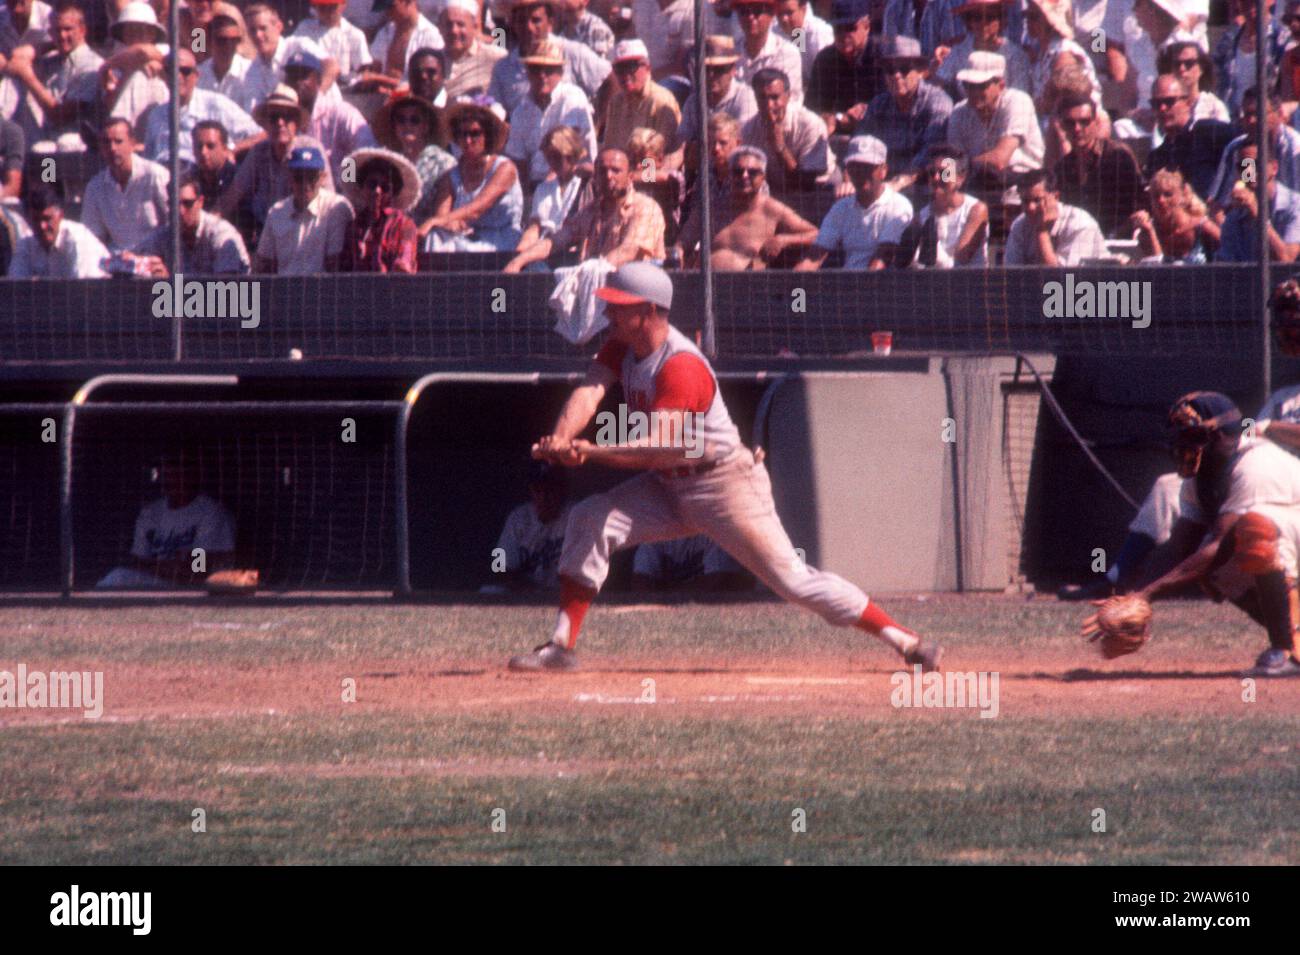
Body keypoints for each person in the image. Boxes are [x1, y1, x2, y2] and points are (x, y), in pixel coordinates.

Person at [507, 261, 943, 672]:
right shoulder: (620, 345)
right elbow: (589, 393)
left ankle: (905, 640)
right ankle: (561, 646)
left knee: (793, 581)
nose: (607, 311)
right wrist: (562, 438)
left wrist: (591, 452)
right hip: (670, 486)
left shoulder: (681, 366)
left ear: (649, 311)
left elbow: (661, 447)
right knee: (590, 518)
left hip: (723, 484)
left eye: (618, 306)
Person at [1130, 391, 1300, 678]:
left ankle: (1288, 649)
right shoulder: (1202, 475)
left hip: (1289, 536)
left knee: (1256, 532)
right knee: (1211, 569)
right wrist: (1133, 595)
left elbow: (1221, 543)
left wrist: (1146, 595)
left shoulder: (1256, 463)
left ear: (1220, 435)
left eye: (1193, 436)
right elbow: (1185, 546)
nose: (1183, 444)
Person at [95, 450, 237, 590]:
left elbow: (197, 569)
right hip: (157, 583)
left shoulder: (210, 512)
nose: (174, 477)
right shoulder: (150, 513)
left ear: (194, 475)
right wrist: (170, 566)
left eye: (180, 471)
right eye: (169, 472)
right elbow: (137, 562)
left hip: (196, 590)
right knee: (118, 577)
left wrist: (157, 566)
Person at [505, 145, 664, 269]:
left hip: (635, 295)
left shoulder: (646, 208)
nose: (608, 176)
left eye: (616, 170)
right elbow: (555, 241)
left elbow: (629, 250)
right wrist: (519, 260)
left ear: (630, 176)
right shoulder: (590, 211)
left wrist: (588, 270)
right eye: (602, 171)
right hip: (598, 288)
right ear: (595, 177)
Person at [218, 84, 334, 245]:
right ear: (266, 123)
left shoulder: (311, 149)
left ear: (297, 123)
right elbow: (233, 195)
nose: (280, 123)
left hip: (305, 236)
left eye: (287, 117)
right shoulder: (259, 152)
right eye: (274, 117)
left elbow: (329, 201)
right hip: (265, 235)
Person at [677, 144, 818, 269]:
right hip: (705, 288)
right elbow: (683, 243)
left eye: (752, 172)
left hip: (749, 290)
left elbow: (816, 234)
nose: (744, 176)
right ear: (729, 175)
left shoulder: (772, 209)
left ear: (763, 176)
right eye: (738, 172)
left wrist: (783, 240)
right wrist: (678, 256)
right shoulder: (710, 208)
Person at [945, 50, 1043, 218]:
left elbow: (1000, 160)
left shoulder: (1018, 101)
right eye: (968, 85)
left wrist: (965, 164)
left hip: (1024, 187)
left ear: (1001, 85)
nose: (973, 91)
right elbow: (952, 163)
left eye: (981, 86)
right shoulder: (959, 112)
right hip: (979, 186)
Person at [420, 95, 523, 251]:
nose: (468, 140)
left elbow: (477, 208)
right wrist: (449, 223)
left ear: (487, 135)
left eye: (474, 134)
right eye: (463, 134)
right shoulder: (451, 175)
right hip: (466, 237)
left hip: (500, 241)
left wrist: (433, 221)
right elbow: (442, 215)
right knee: (436, 235)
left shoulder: (504, 168)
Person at [795, 134, 910, 269]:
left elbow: (882, 259)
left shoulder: (898, 206)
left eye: (868, 167)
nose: (860, 173)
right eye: (854, 167)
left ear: (883, 170)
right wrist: (795, 286)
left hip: (882, 286)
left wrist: (857, 288)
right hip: (847, 284)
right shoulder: (841, 207)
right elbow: (815, 255)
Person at [5, 2, 102, 149]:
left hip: (80, 148)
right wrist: (49, 45)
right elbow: (17, 58)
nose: (62, 35)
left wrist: (28, 77)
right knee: (42, 150)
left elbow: (60, 116)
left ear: (82, 30)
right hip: (50, 143)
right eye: (57, 30)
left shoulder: (92, 64)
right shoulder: (54, 61)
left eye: (68, 29)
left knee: (55, 146)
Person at [858, 35, 952, 187]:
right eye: (890, 69)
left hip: (927, 185)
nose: (896, 75)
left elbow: (931, 151)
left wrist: (900, 182)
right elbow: (862, 141)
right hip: (885, 182)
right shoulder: (878, 104)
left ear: (920, 71)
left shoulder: (938, 102)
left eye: (904, 68)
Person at [487, 0, 610, 115]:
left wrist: (597, 125)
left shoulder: (571, 51)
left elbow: (609, 80)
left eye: (536, 20)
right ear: (513, 24)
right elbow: (495, 110)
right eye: (521, 21)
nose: (529, 27)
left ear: (550, 23)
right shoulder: (503, 67)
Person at [140, 48, 261, 164]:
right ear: (163, 76)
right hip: (164, 175)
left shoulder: (215, 104)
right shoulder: (156, 115)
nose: (178, 76)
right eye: (171, 71)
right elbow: (149, 158)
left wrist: (230, 150)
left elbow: (260, 135)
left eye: (185, 71)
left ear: (196, 76)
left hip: (199, 175)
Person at [505, 38, 596, 188]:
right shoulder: (521, 110)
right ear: (527, 72)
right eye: (536, 69)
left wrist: (543, 192)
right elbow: (518, 160)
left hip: (575, 181)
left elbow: (566, 155)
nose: (542, 75)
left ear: (560, 72)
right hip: (536, 185)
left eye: (548, 70)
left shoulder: (572, 96)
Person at [1052, 93, 1144, 237]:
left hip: (1118, 241)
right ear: (1062, 126)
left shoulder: (1118, 157)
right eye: (1070, 123)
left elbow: (1139, 208)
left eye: (1084, 121)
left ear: (1095, 122)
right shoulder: (1062, 168)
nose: (1077, 128)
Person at [255, 144, 355, 273]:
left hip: (322, 290)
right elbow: (264, 264)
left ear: (322, 177)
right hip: (284, 289)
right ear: (289, 178)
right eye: (298, 177)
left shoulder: (336, 207)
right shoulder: (276, 212)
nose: (305, 184)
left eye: (311, 177)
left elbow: (335, 266)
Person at [284, 48, 377, 182]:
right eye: (292, 77)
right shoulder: (283, 119)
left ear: (319, 81)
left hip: (341, 195)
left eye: (304, 76)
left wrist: (347, 181)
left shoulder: (341, 113)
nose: (297, 82)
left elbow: (365, 151)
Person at [130, 172, 251, 275]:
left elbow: (224, 293)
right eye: (174, 204)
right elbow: (130, 257)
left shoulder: (221, 234)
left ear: (200, 202)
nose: (180, 211)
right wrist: (137, 264)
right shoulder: (165, 234)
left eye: (187, 203)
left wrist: (168, 284)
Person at [1206, 88, 1300, 216]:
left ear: (1278, 113)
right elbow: (1217, 206)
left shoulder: (1294, 148)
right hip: (1249, 226)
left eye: (1258, 114)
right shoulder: (1239, 150)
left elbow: (1295, 204)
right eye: (1247, 115)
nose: (1251, 121)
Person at [480, 460, 572, 592]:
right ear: (531, 490)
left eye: (550, 490)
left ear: (562, 490)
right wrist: (525, 586)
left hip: (563, 594)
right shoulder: (518, 517)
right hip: (526, 592)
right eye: (537, 490)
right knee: (488, 591)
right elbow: (498, 566)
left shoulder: (576, 515)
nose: (543, 497)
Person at [81, 117, 169, 252]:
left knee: (177, 274)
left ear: (132, 144)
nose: (112, 148)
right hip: (116, 263)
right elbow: (92, 239)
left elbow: (173, 226)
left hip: (155, 260)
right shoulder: (95, 187)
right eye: (106, 142)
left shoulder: (155, 175)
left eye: (118, 141)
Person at [1141, 72, 1233, 201]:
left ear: (1188, 102)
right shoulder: (1157, 157)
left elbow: (1248, 143)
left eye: (1169, 101)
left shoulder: (1208, 132)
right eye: (1156, 103)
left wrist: (1246, 181)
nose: (1162, 108)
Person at [741, 67, 831, 193]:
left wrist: (780, 148)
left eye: (775, 97)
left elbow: (806, 184)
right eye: (762, 97)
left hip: (819, 189)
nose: (769, 105)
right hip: (774, 191)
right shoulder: (749, 129)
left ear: (788, 96)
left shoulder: (811, 124)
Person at [374, 89, 455, 224]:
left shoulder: (444, 162)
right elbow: (349, 162)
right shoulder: (386, 160)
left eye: (414, 120)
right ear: (394, 125)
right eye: (401, 119)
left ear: (425, 126)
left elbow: (443, 215)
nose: (407, 125)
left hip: (425, 234)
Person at [676, 35, 758, 165]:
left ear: (733, 70)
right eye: (706, 69)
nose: (711, 75)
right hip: (704, 171)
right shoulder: (694, 101)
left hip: (737, 171)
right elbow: (681, 146)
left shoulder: (746, 97)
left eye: (719, 69)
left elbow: (740, 147)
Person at [243, 3, 339, 111]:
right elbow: (253, 109)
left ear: (279, 27)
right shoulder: (253, 70)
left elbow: (331, 66)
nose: (258, 35)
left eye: (263, 28)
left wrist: (318, 97)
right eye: (252, 30)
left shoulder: (299, 45)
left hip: (330, 113)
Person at [903, 143, 987, 266]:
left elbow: (962, 260)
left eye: (944, 173)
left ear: (960, 177)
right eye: (932, 172)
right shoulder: (921, 216)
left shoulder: (976, 210)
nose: (936, 178)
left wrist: (931, 245)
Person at [1215, 143, 1300, 264]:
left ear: (1274, 168)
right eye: (1244, 166)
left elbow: (1286, 259)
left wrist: (1258, 214)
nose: (1249, 172)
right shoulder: (1234, 216)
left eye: (1256, 164)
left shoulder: (1295, 206)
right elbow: (1227, 268)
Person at [1003, 167, 1106, 265]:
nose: (1030, 207)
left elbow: (1060, 279)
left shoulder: (1080, 223)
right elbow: (1011, 273)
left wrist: (1041, 230)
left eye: (1037, 200)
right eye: (1025, 201)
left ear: (1056, 197)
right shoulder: (1020, 224)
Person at [806, 0, 880, 137]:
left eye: (850, 28)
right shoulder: (825, 60)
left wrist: (868, 110)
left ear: (867, 26)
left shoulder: (882, 57)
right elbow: (810, 110)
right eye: (838, 29)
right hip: (836, 137)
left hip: (877, 136)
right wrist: (836, 118)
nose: (844, 35)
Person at [341, 146, 421, 271]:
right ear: (363, 188)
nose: (377, 191)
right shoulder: (354, 227)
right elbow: (344, 269)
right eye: (372, 184)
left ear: (393, 193)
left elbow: (404, 268)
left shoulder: (405, 225)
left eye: (385, 187)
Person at [933, 0, 1030, 100]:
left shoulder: (1016, 56)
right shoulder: (960, 52)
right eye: (977, 17)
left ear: (1001, 20)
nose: (983, 23)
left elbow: (1020, 96)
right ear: (969, 21)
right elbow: (939, 82)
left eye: (989, 17)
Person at [7, 183, 109, 277]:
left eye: (47, 219)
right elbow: (15, 287)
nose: (42, 226)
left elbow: (82, 291)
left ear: (60, 216)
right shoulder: (26, 244)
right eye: (36, 220)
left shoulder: (78, 239)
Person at [599, 39, 680, 156]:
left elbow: (662, 156)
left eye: (631, 67)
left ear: (647, 67)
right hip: (621, 169)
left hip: (651, 170)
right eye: (620, 68)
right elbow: (609, 148)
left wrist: (637, 175)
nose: (626, 75)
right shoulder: (616, 102)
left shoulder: (662, 101)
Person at [516, 124, 588, 248]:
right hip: (544, 248)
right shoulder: (544, 188)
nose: (552, 162)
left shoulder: (586, 185)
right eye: (549, 157)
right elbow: (535, 228)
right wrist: (520, 252)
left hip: (573, 248)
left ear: (570, 155)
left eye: (557, 157)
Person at [1128, 166, 1218, 263]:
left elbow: (1231, 259)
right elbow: (1157, 273)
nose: (1161, 200)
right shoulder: (1147, 232)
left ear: (1183, 195)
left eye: (1168, 194)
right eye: (1156, 195)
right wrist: (1150, 232)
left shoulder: (1202, 228)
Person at [733, 0, 805, 106]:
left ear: (772, 14)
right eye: (744, 11)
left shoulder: (787, 53)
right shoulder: (731, 52)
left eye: (757, 11)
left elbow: (790, 104)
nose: (750, 17)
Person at [631, 534, 751, 591]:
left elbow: (716, 581)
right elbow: (640, 580)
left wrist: (665, 593)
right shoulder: (656, 535)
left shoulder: (715, 534)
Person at [292, 0, 371, 86]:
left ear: (343, 5)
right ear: (315, 7)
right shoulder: (305, 28)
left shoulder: (354, 34)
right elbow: (291, 53)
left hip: (343, 88)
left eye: (332, 7)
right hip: (311, 86)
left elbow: (363, 69)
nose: (327, 11)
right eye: (323, 7)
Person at [442, 0, 506, 99]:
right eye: (448, 24)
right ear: (440, 27)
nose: (454, 31)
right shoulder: (434, 59)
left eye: (460, 24)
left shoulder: (495, 57)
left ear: (474, 27)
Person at [198, 12, 254, 112]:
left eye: (234, 40)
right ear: (209, 41)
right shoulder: (198, 74)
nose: (229, 46)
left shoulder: (250, 72)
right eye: (222, 40)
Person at [774, 0, 834, 85]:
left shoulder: (819, 32)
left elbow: (826, 77)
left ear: (803, 9)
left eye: (789, 12)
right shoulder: (775, 31)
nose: (784, 19)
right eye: (780, 14)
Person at [631, 0, 692, 80]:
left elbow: (681, 66)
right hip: (638, 76)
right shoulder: (640, 3)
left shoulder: (694, 9)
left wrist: (644, 80)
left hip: (673, 81)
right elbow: (630, 38)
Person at [191, 119, 239, 208]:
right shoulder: (189, 181)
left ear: (224, 149)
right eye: (199, 146)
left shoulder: (238, 179)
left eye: (210, 146)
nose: (203, 152)